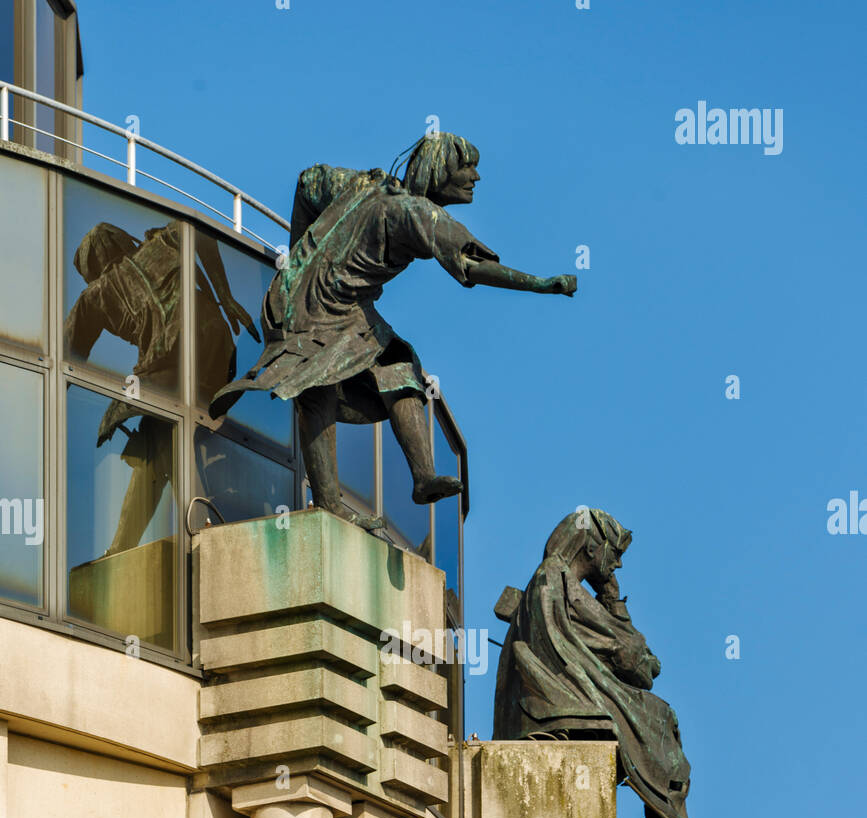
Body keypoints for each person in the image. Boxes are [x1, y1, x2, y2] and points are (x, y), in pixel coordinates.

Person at [210, 133, 577, 523]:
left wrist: (301, 258)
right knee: (323, 389)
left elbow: (308, 182)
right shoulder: (418, 214)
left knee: (396, 366)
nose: (476, 177)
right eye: (467, 167)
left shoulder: (367, 185)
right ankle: (349, 499)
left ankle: (418, 478)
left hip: (309, 304)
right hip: (323, 314)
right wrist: (540, 284)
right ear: (439, 172)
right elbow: (471, 267)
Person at [493, 508, 708, 818]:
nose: (618, 563)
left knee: (663, 723)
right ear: (591, 545)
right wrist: (612, 603)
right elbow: (635, 660)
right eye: (615, 552)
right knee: (660, 720)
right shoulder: (554, 579)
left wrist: (611, 603)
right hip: (561, 701)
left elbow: (635, 659)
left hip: (573, 691)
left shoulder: (563, 583)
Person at [65, 221, 258, 553]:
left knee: (159, 441)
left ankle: (192, 525)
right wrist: (225, 297)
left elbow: (65, 354)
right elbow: (200, 232)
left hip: (172, 353)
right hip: (215, 342)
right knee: (174, 432)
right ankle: (205, 510)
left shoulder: (95, 294)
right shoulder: (158, 244)